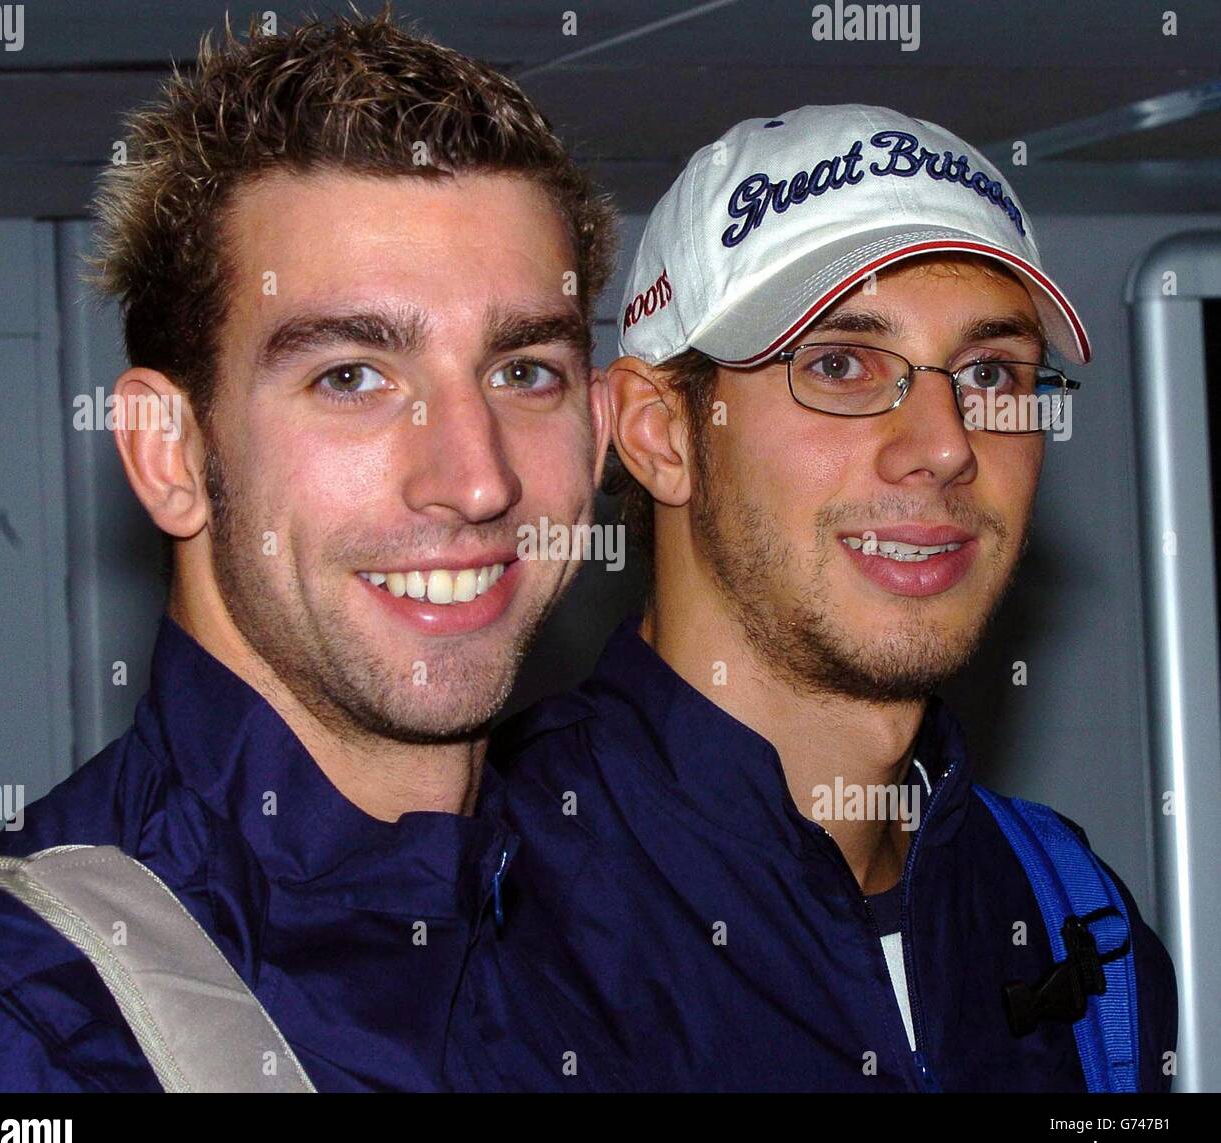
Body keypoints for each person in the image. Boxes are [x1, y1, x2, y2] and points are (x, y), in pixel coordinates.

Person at [0, 8, 615, 1091]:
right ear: (171, 453)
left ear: (603, 428)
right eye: (350, 378)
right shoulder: (7, 1025)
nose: (477, 480)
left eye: (523, 372)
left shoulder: (640, 930)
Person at [485, 103, 1178, 1091]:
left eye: (991, 372)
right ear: (658, 432)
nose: (944, 443)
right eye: (841, 365)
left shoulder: (1071, 919)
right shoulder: (478, 919)